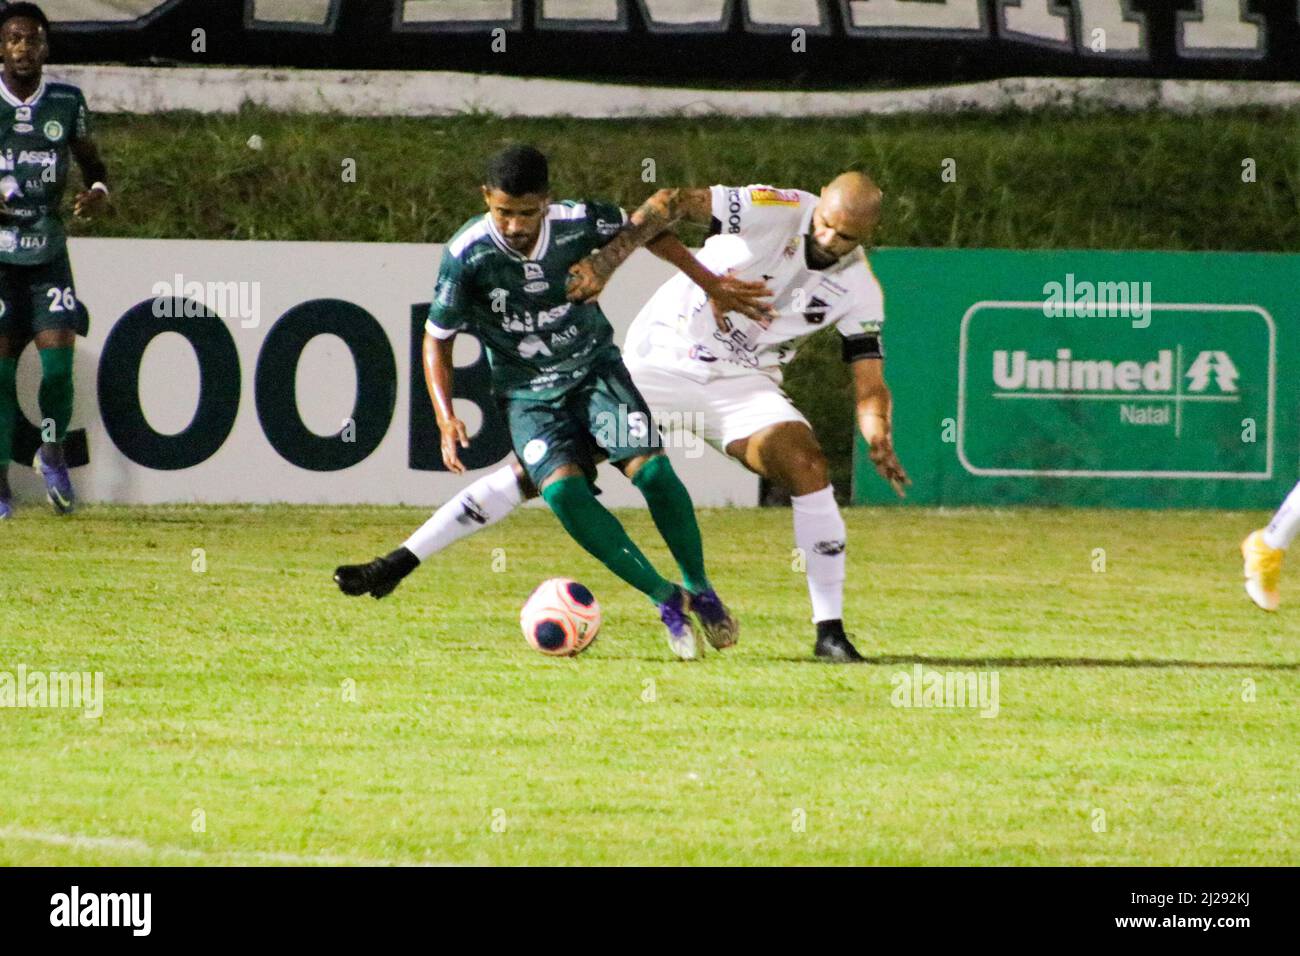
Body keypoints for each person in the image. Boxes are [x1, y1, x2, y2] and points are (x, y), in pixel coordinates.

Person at [339, 172, 907, 663]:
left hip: (743, 384)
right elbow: (670, 202)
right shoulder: (776, 207)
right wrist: (609, 261)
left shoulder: (859, 289)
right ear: (819, 206)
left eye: (845, 235)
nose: (828, 238)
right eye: (825, 223)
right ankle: (402, 559)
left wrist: (876, 426)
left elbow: (869, 383)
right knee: (536, 476)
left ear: (866, 236)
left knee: (808, 466)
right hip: (659, 359)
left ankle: (828, 632)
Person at [340, 145, 745, 660]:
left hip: (594, 373)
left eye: (526, 213)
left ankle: (700, 588)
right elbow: (436, 338)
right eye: (502, 211)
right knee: (561, 494)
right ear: (486, 199)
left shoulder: (580, 222)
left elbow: (650, 231)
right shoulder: (468, 253)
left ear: (547, 203)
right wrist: (445, 416)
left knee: (653, 474)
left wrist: (708, 283)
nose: (513, 225)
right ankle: (666, 598)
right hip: (528, 396)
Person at [0, 2, 109, 519]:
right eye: (14, 39)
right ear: (1, 47)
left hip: (46, 249)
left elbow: (91, 161)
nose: (24, 48)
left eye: (33, 40)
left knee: (58, 367)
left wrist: (97, 188)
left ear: (45, 48)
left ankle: (51, 449)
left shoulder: (65, 101)